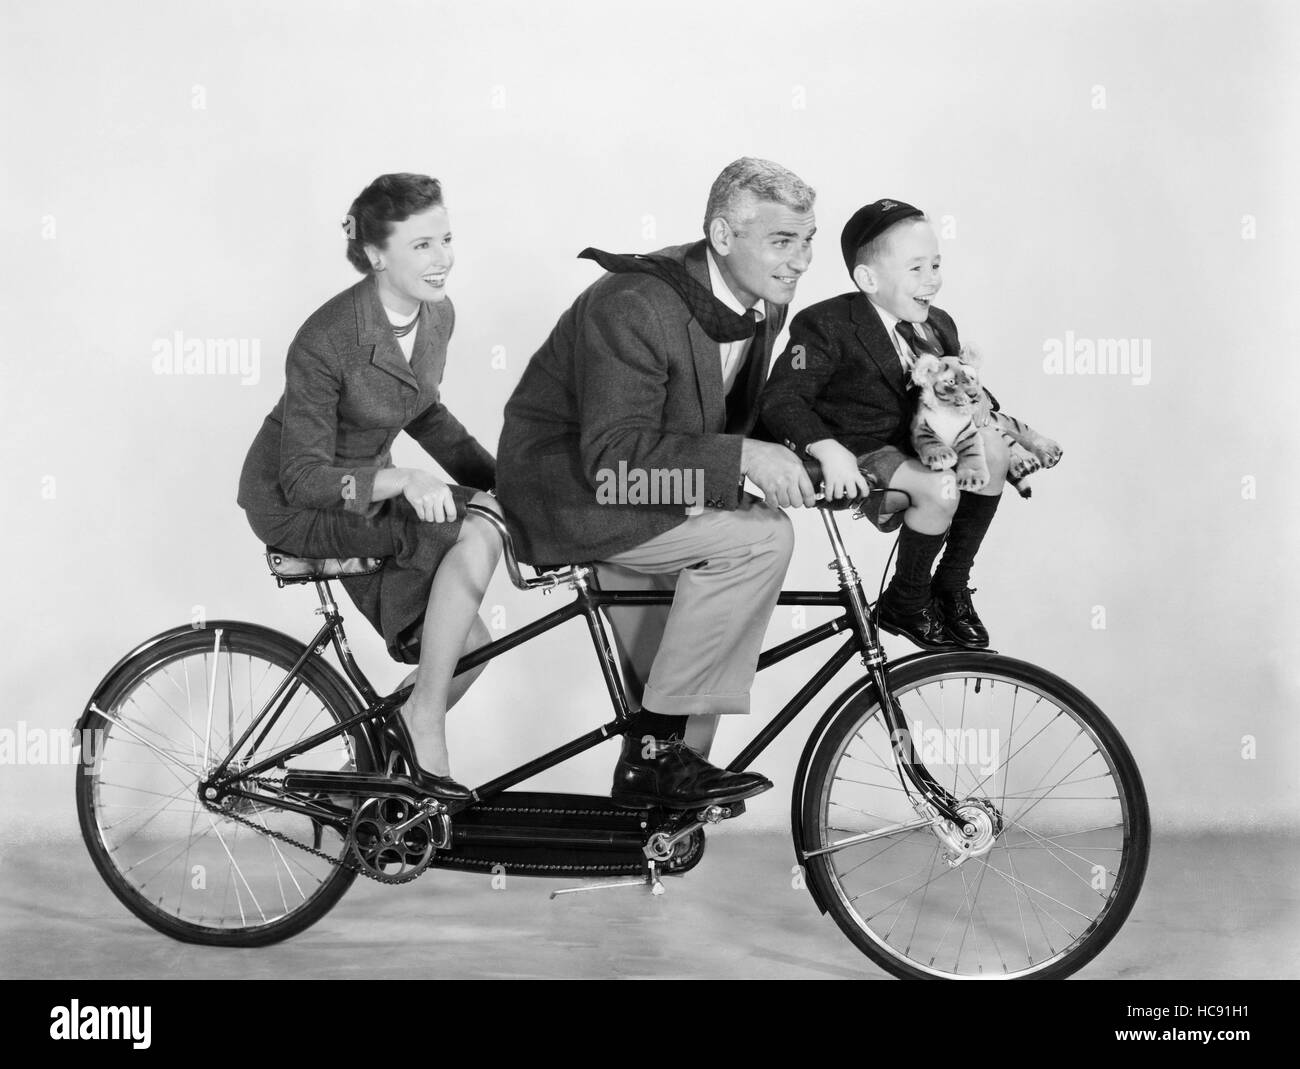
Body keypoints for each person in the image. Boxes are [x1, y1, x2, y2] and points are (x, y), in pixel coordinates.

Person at [496, 158, 819, 810]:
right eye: (783, 242)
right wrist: (747, 461)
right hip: (576, 494)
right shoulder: (637, 305)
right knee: (758, 540)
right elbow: (614, 462)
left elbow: (739, 421)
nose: (801, 261)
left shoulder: (761, 303)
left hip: (655, 489)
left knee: (702, 629)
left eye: (808, 241)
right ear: (723, 237)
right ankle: (658, 764)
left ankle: (666, 784)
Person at [237, 173, 500, 801]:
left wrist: (505, 481)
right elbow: (302, 478)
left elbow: (425, 412)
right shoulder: (326, 338)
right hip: (298, 501)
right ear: (377, 254)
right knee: (467, 525)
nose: (443, 261)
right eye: (422, 246)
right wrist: (402, 478)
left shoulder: (437, 315)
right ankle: (424, 725)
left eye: (446, 240)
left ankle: (380, 756)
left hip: (369, 488)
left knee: (472, 643)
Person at [760, 198, 1010, 650]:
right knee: (939, 489)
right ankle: (907, 599)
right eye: (916, 269)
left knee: (994, 450)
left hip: (916, 442)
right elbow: (781, 400)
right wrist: (825, 448)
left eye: (936, 264)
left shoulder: (938, 324)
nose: (932, 279)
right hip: (855, 451)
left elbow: (957, 390)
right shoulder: (825, 324)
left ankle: (950, 585)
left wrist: (989, 413)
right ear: (868, 278)